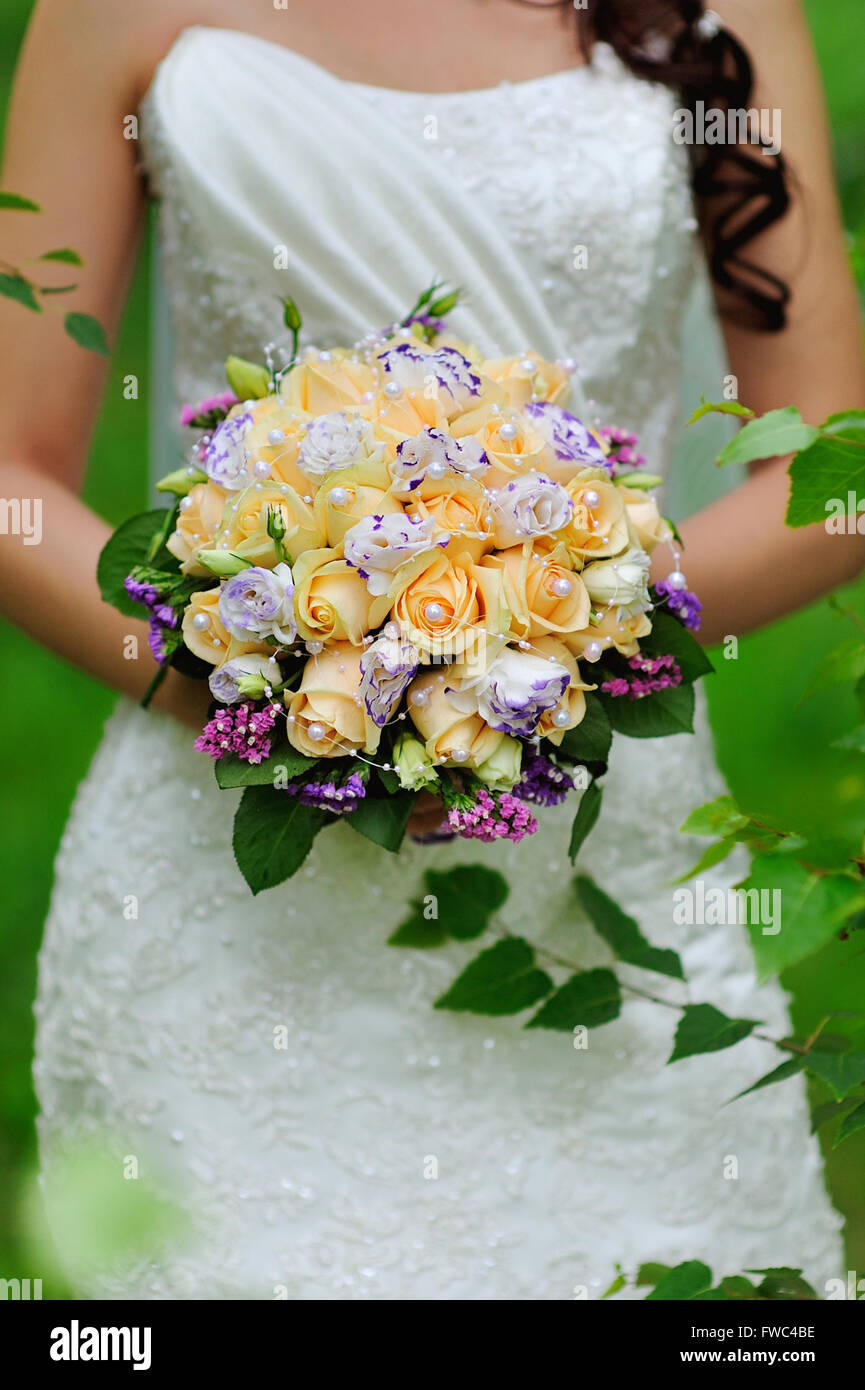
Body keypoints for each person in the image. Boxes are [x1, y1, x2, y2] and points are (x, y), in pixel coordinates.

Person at [1, 0, 862, 1298]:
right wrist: (268, 667)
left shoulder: (720, 12)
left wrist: (559, 625)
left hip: (603, 860)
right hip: (225, 888)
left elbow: (833, 474)